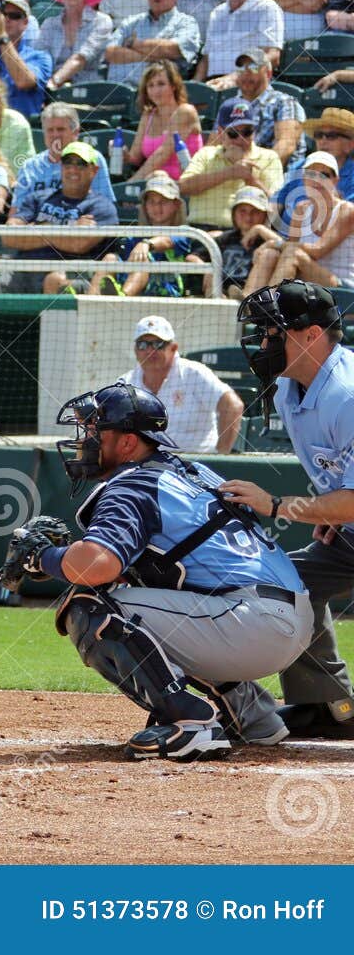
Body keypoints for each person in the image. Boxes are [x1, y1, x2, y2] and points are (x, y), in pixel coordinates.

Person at [0, 382, 310, 760]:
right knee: (148, 599)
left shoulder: (132, 484)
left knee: (88, 604)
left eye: (94, 430)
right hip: (281, 616)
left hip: (250, 620)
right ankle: (254, 717)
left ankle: (190, 722)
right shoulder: (191, 472)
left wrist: (43, 557)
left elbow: (97, 564)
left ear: (128, 443)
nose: (85, 440)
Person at [223, 281, 354, 739]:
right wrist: (328, 512)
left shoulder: (348, 393)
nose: (263, 345)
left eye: (272, 333)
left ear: (312, 334)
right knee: (289, 582)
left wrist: (277, 505)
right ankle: (327, 704)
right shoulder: (288, 390)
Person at [112, 315, 243, 453]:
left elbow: (232, 406)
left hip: (195, 465)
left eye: (158, 344)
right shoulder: (126, 383)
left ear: (173, 348)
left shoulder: (194, 373)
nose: (150, 351)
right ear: (135, 351)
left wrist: (221, 457)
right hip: (145, 468)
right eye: (142, 345)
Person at [4, 139, 119, 294]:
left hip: (72, 273)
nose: (73, 169)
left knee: (55, 280)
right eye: (68, 163)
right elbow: (9, 236)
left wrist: (36, 229)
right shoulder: (38, 198)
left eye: (81, 164)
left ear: (94, 170)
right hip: (26, 267)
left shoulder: (102, 207)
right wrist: (68, 228)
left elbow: (79, 244)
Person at [178, 97, 284, 229]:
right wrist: (229, 173)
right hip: (201, 231)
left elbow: (276, 206)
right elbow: (184, 187)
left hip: (245, 234)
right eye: (233, 133)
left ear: (254, 131)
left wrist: (249, 177)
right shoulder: (206, 154)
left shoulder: (269, 157)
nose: (240, 139)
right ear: (221, 132)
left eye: (246, 132)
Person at [256, 152, 354, 288]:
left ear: (335, 180)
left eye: (324, 175)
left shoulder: (347, 210)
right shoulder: (301, 209)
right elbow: (289, 248)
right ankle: (247, 300)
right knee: (270, 254)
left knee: (292, 254)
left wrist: (274, 242)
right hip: (310, 281)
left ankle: (270, 306)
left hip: (342, 286)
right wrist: (271, 248)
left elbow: (317, 251)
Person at [102, 0, 202, 85]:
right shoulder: (130, 22)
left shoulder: (186, 22)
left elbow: (173, 49)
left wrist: (132, 44)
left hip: (158, 95)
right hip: (118, 91)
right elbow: (110, 53)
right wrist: (155, 57)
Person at [124, 59, 203, 183]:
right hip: (154, 184)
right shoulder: (147, 115)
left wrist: (133, 182)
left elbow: (162, 154)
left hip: (185, 185)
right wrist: (122, 154)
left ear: (173, 86)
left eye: (161, 84)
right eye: (151, 85)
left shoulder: (186, 111)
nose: (155, 91)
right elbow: (135, 157)